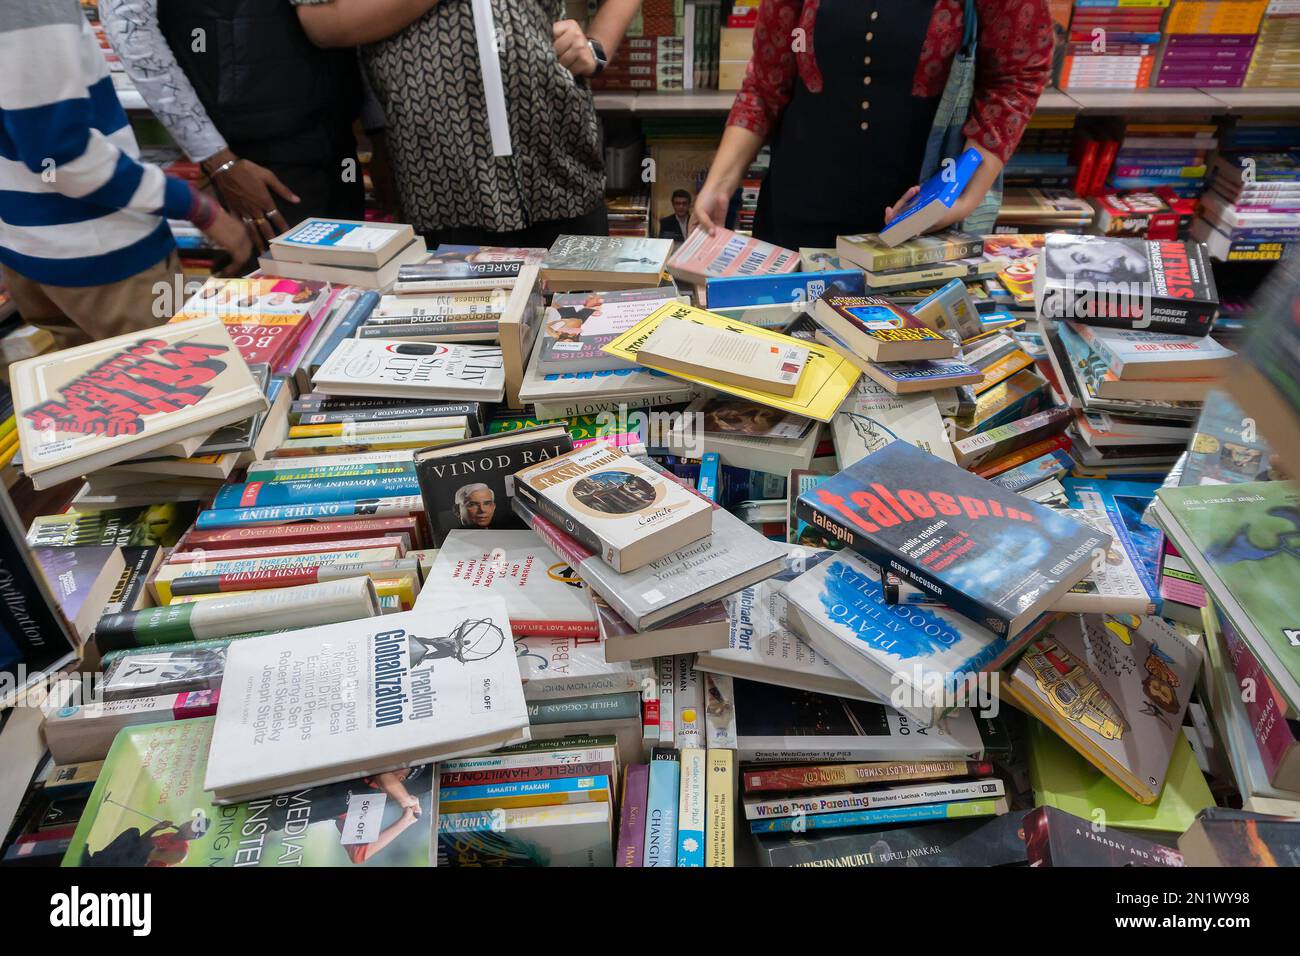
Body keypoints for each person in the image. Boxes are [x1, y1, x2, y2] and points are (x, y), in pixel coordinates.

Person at [692, 0, 1054, 250]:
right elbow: (765, 82)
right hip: (796, 218)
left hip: (916, 227)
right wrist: (719, 185)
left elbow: (1016, 79)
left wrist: (961, 197)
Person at [0, 0, 250, 350]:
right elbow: (60, 153)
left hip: (28, 251)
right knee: (181, 383)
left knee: (95, 392)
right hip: (107, 258)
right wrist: (194, 206)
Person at [293, 0, 642, 247]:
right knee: (463, 340)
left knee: (579, 328)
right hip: (443, 177)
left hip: (558, 161)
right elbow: (323, 22)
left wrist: (597, 47)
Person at [100, 0, 371, 253]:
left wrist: (373, 126)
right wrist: (218, 160)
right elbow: (130, 31)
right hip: (257, 159)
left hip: (337, 140)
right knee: (284, 294)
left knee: (354, 293)